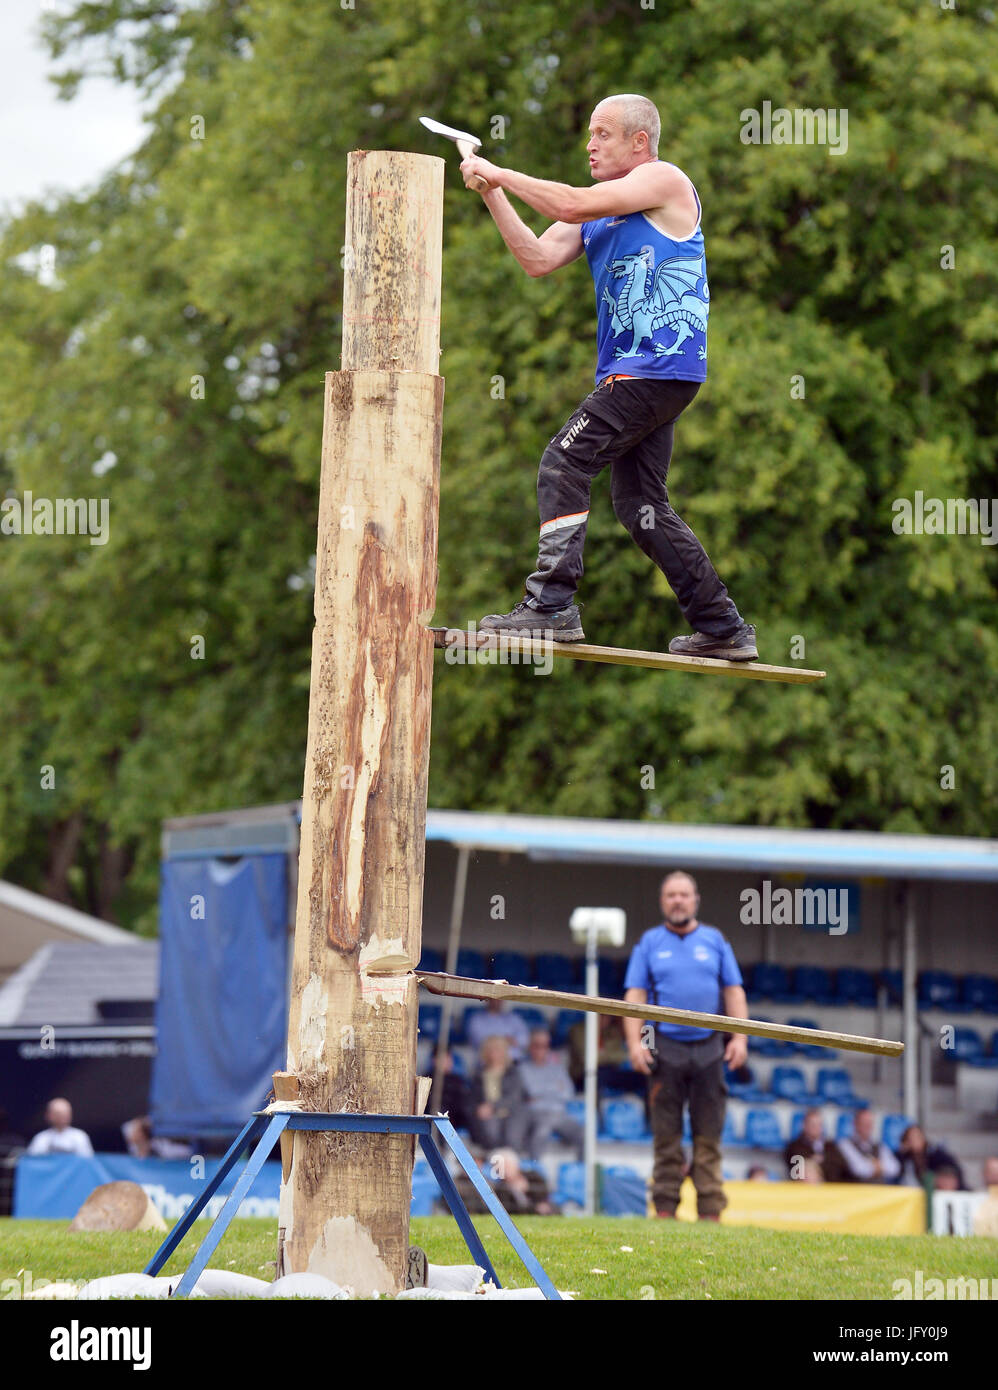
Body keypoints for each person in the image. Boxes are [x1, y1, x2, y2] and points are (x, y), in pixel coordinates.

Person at [458, 92, 755, 660]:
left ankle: (550, 607)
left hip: (654, 367)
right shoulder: (602, 213)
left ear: (639, 143)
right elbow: (536, 258)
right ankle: (722, 627)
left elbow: (568, 204)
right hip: (647, 374)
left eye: (603, 134)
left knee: (564, 461)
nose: (589, 144)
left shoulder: (665, 181)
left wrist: (500, 169)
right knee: (640, 504)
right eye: (590, 134)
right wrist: (493, 193)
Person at [622, 870, 748, 1220]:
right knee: (666, 1137)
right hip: (666, 1047)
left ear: (695, 900)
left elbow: (733, 991)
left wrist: (740, 1037)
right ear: (663, 902)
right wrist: (635, 1043)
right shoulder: (649, 942)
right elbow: (634, 996)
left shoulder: (715, 940)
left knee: (708, 1136)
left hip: (709, 1048)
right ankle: (665, 1210)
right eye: (670, 895)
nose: (677, 900)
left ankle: (710, 1211)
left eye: (684, 894)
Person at [513, 1029, 585, 1160]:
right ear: (530, 1047)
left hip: (559, 1114)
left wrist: (543, 1093)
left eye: (545, 1046)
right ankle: (535, 1170)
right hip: (537, 1113)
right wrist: (555, 1088)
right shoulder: (522, 1068)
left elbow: (568, 1093)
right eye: (537, 1046)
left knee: (584, 1134)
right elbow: (532, 1090)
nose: (541, 1050)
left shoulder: (557, 1067)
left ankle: (583, 1172)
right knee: (541, 1131)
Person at [467, 1036, 526, 1151]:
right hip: (488, 1115)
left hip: (511, 1112)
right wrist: (478, 1109)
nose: (494, 1054)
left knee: (512, 1137)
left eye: (497, 1050)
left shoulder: (513, 1072)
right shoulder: (479, 1074)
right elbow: (472, 1098)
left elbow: (515, 1097)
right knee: (490, 1134)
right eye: (491, 1050)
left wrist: (492, 1106)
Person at [783, 1108, 848, 1183]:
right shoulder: (794, 1146)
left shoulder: (831, 1146)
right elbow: (797, 1170)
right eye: (812, 1124)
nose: (816, 1128)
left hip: (833, 1187)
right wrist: (822, 1163)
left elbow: (841, 1166)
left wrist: (816, 1161)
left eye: (819, 1124)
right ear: (804, 1125)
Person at [837, 1109, 901, 1183]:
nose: (867, 1127)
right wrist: (878, 1166)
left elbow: (895, 1168)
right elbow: (859, 1169)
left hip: (878, 1191)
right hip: (856, 1191)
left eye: (870, 1123)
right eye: (864, 1123)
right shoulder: (845, 1144)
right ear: (855, 1124)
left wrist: (874, 1167)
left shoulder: (879, 1145)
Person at [894, 1124, 965, 1190]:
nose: (914, 1141)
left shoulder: (936, 1154)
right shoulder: (905, 1158)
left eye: (917, 1137)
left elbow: (956, 1170)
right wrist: (902, 1152)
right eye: (910, 1138)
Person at [26, 1098, 93, 1157]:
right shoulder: (41, 1138)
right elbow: (33, 1161)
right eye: (58, 1114)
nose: (62, 1117)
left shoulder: (80, 1136)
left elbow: (87, 1161)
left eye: (65, 1114)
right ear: (48, 1115)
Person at [465, 999, 530, 1059]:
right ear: (487, 999)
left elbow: (524, 1040)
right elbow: (480, 1041)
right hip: (487, 1062)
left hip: (513, 1062)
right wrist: (506, 1041)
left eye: (500, 999)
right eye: (494, 998)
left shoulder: (513, 1018)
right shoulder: (477, 1018)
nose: (497, 1001)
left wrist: (498, 1041)